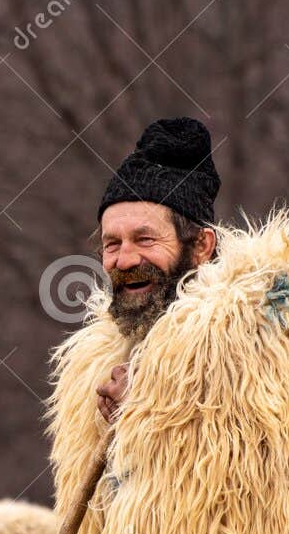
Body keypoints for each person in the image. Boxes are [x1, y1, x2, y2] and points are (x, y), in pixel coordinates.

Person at [90, 117, 221, 423]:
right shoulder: (95, 370)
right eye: (112, 244)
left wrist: (148, 411)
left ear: (201, 246)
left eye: (145, 239)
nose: (124, 260)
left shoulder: (263, 345)